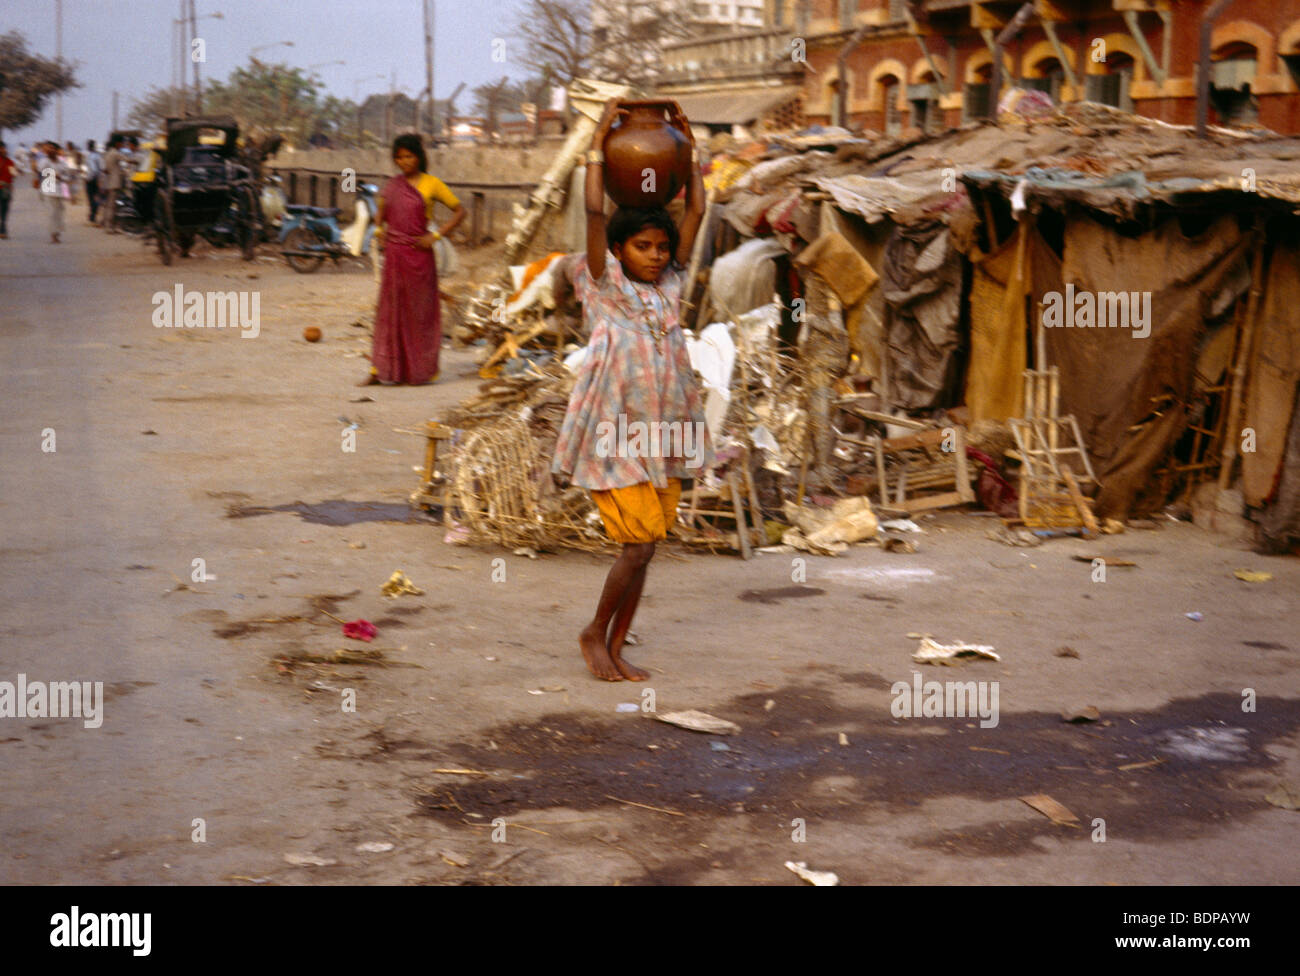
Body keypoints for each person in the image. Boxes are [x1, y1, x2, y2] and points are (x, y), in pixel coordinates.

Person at [551, 98, 710, 682]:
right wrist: (599, 137)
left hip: (662, 429)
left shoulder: (670, 284)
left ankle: (616, 644)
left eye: (662, 248)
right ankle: (594, 633)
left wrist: (687, 144)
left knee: (650, 545)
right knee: (637, 545)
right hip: (615, 431)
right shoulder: (604, 281)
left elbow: (697, 205)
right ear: (618, 250)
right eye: (644, 247)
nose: (656, 256)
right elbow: (595, 210)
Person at [360, 133, 465, 386]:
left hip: (420, 258)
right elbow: (381, 212)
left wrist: (436, 235)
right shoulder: (392, 185)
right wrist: (379, 230)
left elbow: (461, 211)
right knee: (390, 312)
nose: (404, 161)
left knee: (420, 313)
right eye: (400, 157)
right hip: (395, 258)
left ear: (419, 157)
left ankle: (419, 371)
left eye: (409, 156)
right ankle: (382, 370)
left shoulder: (432, 184)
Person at [102, 137, 125, 233]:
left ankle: (109, 226)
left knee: (109, 205)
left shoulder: (107, 154)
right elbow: (127, 159)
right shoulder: (115, 153)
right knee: (113, 206)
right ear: (117, 143)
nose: (123, 145)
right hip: (114, 183)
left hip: (109, 182)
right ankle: (110, 226)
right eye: (122, 143)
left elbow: (105, 170)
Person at [0, 142, 17, 239]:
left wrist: (15, 172)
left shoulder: (10, 162)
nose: (3, 150)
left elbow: (13, 175)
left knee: (4, 210)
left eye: (4, 148)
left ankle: (3, 228)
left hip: (6, 189)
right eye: (1, 148)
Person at [85, 139, 103, 224]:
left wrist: (89, 178)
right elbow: (100, 168)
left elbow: (94, 169)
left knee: (91, 198)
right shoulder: (98, 155)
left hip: (92, 180)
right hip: (98, 179)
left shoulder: (91, 156)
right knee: (96, 197)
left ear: (89, 146)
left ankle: (92, 216)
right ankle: (93, 215)